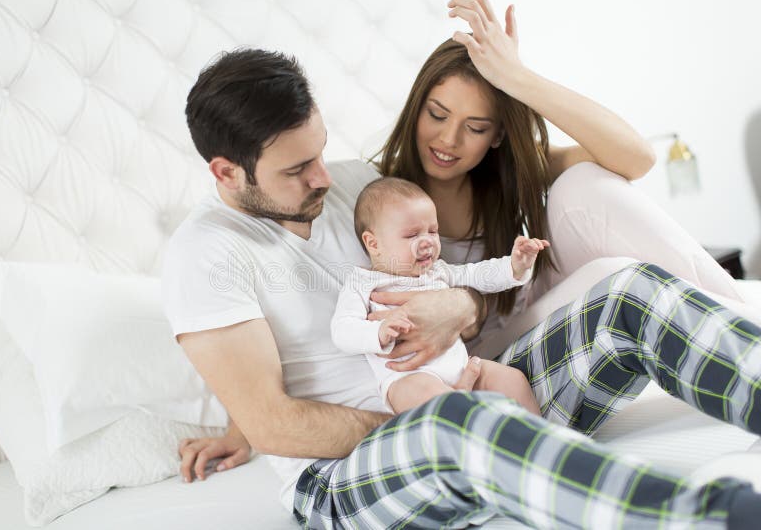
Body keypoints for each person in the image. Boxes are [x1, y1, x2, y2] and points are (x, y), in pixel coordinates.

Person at [165, 44, 761, 530]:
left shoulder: (356, 186)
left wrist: (458, 307)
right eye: (297, 170)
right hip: (345, 474)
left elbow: (450, 277)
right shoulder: (206, 254)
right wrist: (434, 415)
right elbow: (274, 422)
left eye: (319, 153)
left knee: (625, 294)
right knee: (456, 423)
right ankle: (705, 519)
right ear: (226, 171)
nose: (323, 176)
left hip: (473, 396)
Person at [374, 0, 761, 366]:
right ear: (416, 107)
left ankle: (745, 329)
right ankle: (745, 330)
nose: (448, 140)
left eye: (475, 127)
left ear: (496, 135)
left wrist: (517, 78)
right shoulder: (378, 192)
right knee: (612, 275)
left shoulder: (505, 170)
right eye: (437, 114)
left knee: (580, 186)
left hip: (527, 316)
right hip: (473, 359)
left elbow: (638, 157)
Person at [331, 176, 544, 415]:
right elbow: (342, 330)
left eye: (433, 231)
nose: (427, 242)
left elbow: (476, 274)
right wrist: (378, 333)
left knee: (512, 380)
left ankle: (547, 443)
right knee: (443, 406)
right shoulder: (363, 283)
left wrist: (515, 266)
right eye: (412, 235)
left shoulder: (438, 271)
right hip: (409, 380)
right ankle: (479, 436)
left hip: (462, 368)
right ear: (373, 243)